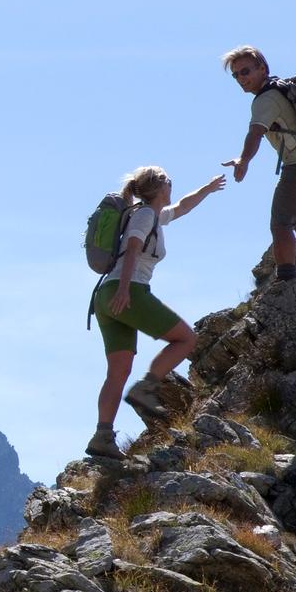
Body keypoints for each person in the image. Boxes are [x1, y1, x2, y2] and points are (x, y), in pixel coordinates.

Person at [87, 165, 226, 459]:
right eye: (169, 182)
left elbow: (183, 207)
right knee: (186, 339)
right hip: (129, 290)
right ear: (160, 187)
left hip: (105, 297)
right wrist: (125, 289)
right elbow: (133, 248)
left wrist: (208, 188)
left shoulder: (151, 215)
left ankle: (102, 437)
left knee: (118, 371)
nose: (172, 186)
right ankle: (146, 388)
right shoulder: (145, 216)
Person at [219, 45, 296, 280]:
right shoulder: (283, 90)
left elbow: (255, 133)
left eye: (245, 71)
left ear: (262, 69)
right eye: (236, 75)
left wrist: (244, 160)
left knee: (281, 223)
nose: (241, 78)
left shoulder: (265, 99)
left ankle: (286, 280)